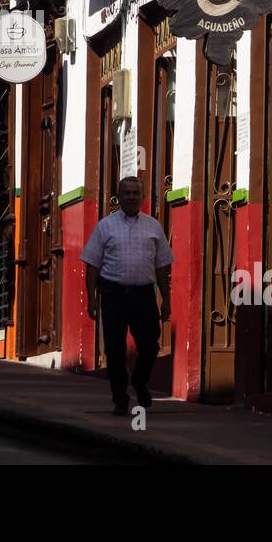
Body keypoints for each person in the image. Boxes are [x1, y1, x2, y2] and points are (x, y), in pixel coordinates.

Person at [80, 176, 173, 415]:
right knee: (114, 350)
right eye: (127, 193)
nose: (131, 197)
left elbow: (163, 266)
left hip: (144, 295)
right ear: (119, 197)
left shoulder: (153, 226)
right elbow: (92, 265)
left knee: (150, 345)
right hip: (113, 294)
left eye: (135, 193)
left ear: (142, 197)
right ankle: (119, 397)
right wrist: (91, 299)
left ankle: (140, 381)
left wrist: (166, 299)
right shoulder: (105, 226)